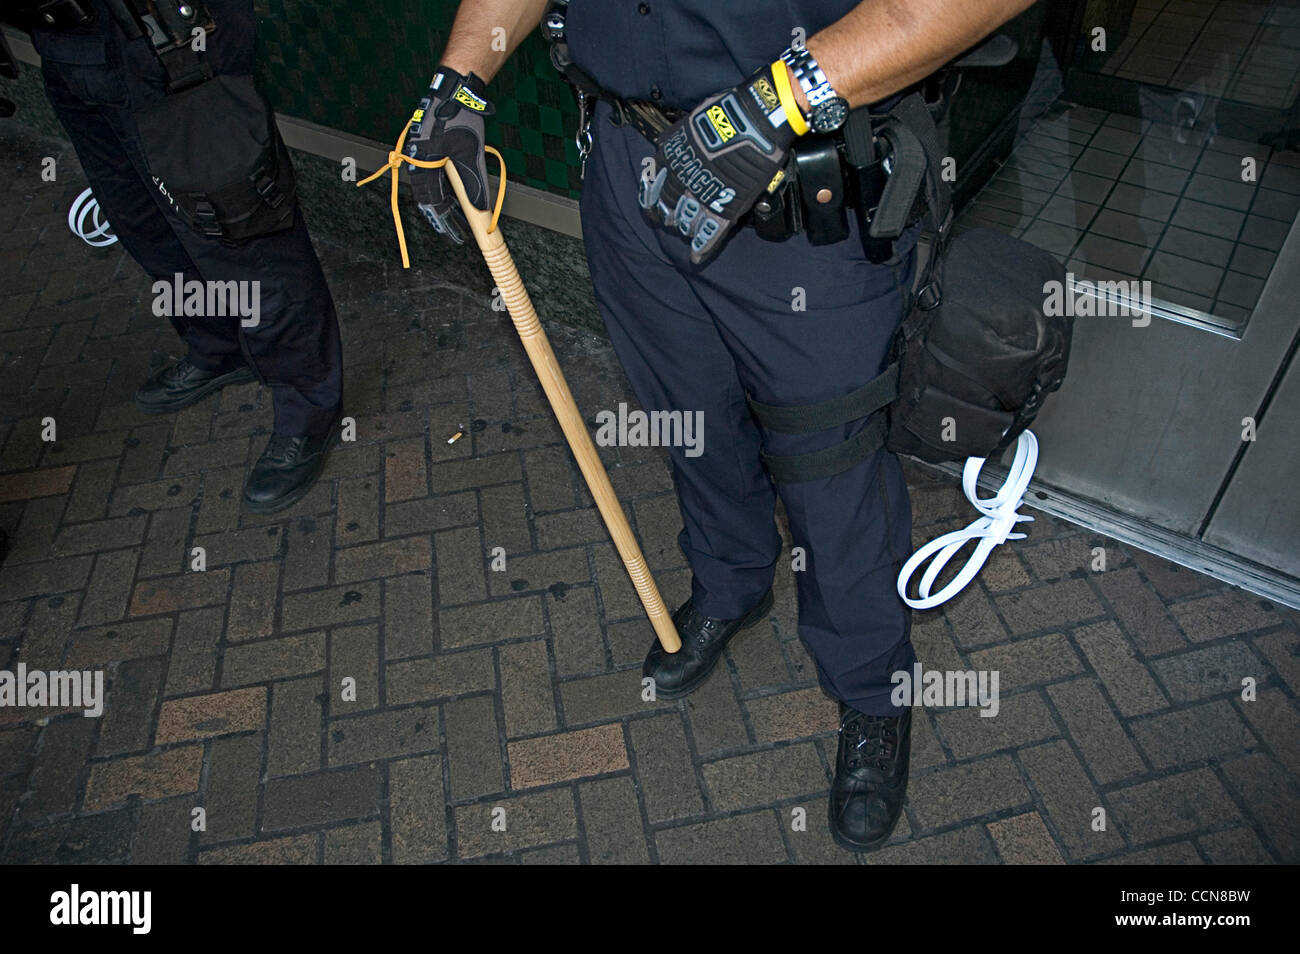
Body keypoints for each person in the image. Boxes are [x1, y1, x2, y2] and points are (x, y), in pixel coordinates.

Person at [409, 0, 1034, 851]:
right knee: (685, 414)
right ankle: (733, 579)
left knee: (832, 458)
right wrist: (460, 81)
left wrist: (779, 99)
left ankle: (871, 689)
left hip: (799, 180)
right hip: (631, 164)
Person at [7, 0, 343, 513]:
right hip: (64, 41)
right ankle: (220, 344)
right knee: (144, 221)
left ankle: (308, 407)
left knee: (243, 237)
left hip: (163, 30)